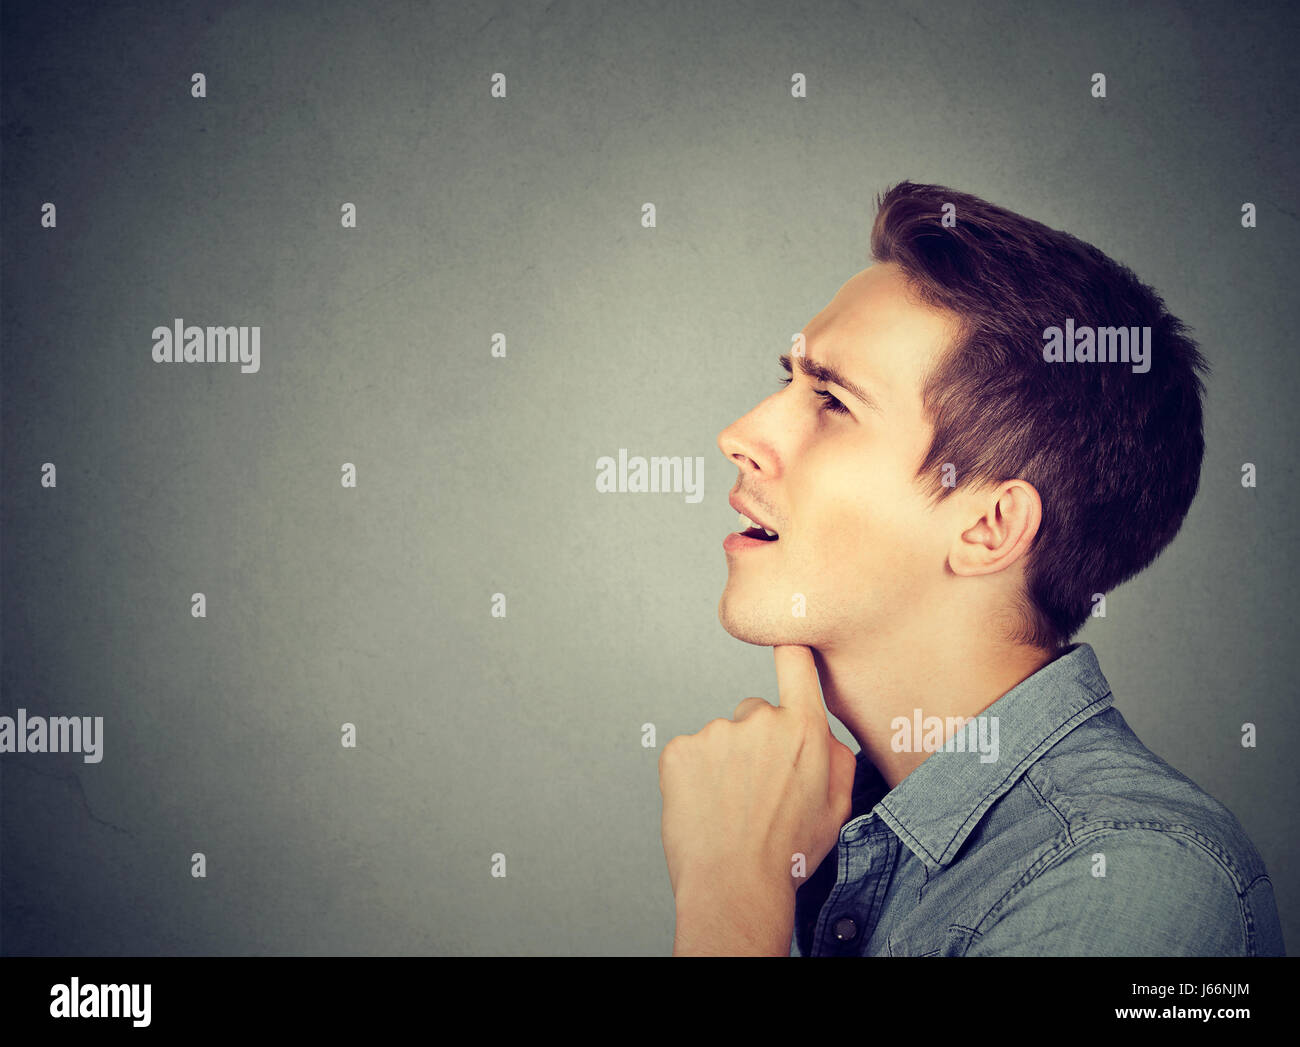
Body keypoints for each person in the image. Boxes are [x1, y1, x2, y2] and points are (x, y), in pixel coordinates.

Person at [657, 181, 1285, 956]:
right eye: (789, 379)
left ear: (989, 525)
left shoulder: (1130, 880)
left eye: (834, 402)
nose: (739, 432)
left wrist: (730, 897)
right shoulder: (824, 825)